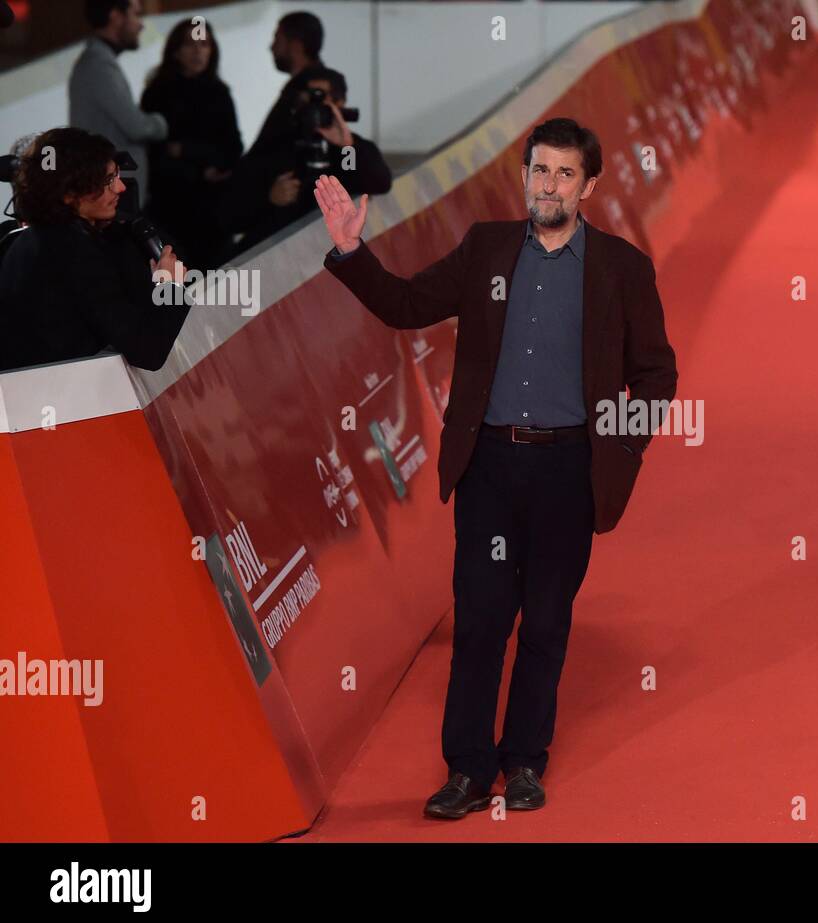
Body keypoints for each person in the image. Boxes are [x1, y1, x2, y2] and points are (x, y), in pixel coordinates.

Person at [313, 117, 677, 817]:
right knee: (481, 621)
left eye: (565, 174)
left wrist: (623, 444)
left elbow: (657, 375)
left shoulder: (622, 269)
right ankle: (469, 771)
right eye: (540, 170)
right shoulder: (485, 249)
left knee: (544, 622)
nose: (550, 185)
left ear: (589, 186)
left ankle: (525, 762)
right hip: (490, 467)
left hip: (570, 470)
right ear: (524, 175)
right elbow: (408, 305)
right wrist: (353, 252)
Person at [0, 127, 190, 372]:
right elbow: (148, 351)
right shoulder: (72, 249)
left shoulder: (42, 240)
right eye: (107, 181)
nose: (120, 188)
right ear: (69, 194)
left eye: (117, 175)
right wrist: (171, 286)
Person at [220, 66, 390, 260]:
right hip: (278, 264)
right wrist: (270, 198)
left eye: (320, 98)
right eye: (306, 99)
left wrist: (347, 146)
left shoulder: (349, 151)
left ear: (340, 104)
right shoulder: (276, 148)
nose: (312, 107)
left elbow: (380, 182)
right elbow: (230, 217)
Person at [141, 18, 243, 271]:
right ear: (176, 50)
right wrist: (202, 167)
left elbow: (233, 147)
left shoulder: (219, 93)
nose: (198, 51)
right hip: (172, 210)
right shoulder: (158, 94)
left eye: (205, 44)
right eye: (190, 44)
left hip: (214, 211)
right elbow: (157, 155)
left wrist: (186, 151)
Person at [68, 0, 168, 210]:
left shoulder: (96, 62)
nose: (141, 25)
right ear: (115, 15)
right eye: (136, 14)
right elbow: (137, 127)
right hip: (113, 198)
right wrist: (163, 122)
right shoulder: (98, 64)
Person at [246, 11, 325, 160]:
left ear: (295, 45)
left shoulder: (313, 89)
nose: (272, 47)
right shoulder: (298, 88)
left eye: (277, 39)